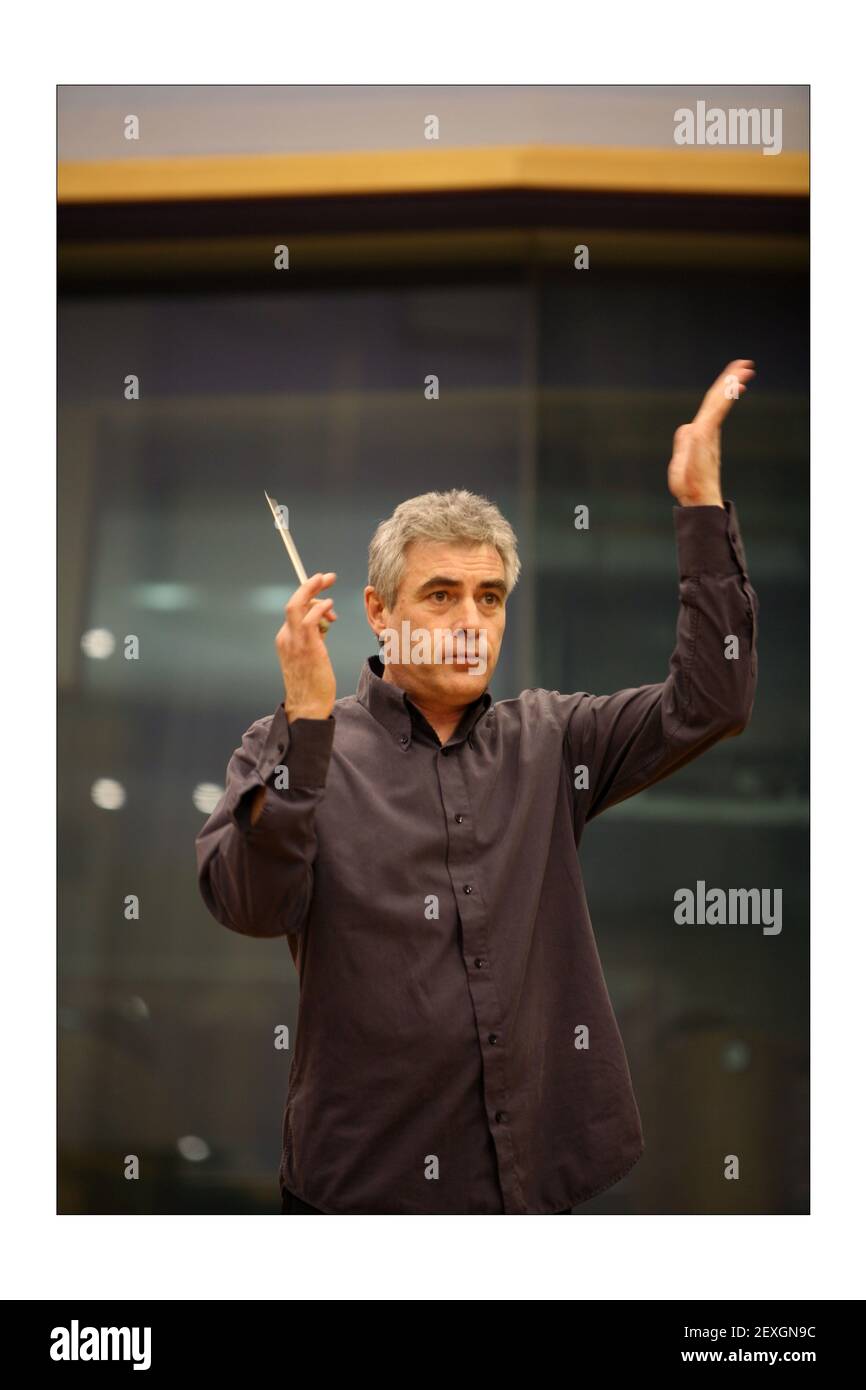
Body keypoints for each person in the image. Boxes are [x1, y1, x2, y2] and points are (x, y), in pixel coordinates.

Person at [196, 360, 759, 1214]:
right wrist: (306, 729)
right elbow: (248, 904)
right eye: (442, 595)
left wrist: (700, 507)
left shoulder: (551, 738)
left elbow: (712, 700)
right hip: (363, 1202)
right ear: (382, 614)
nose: (469, 623)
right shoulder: (293, 744)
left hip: (536, 1192)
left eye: (489, 597)